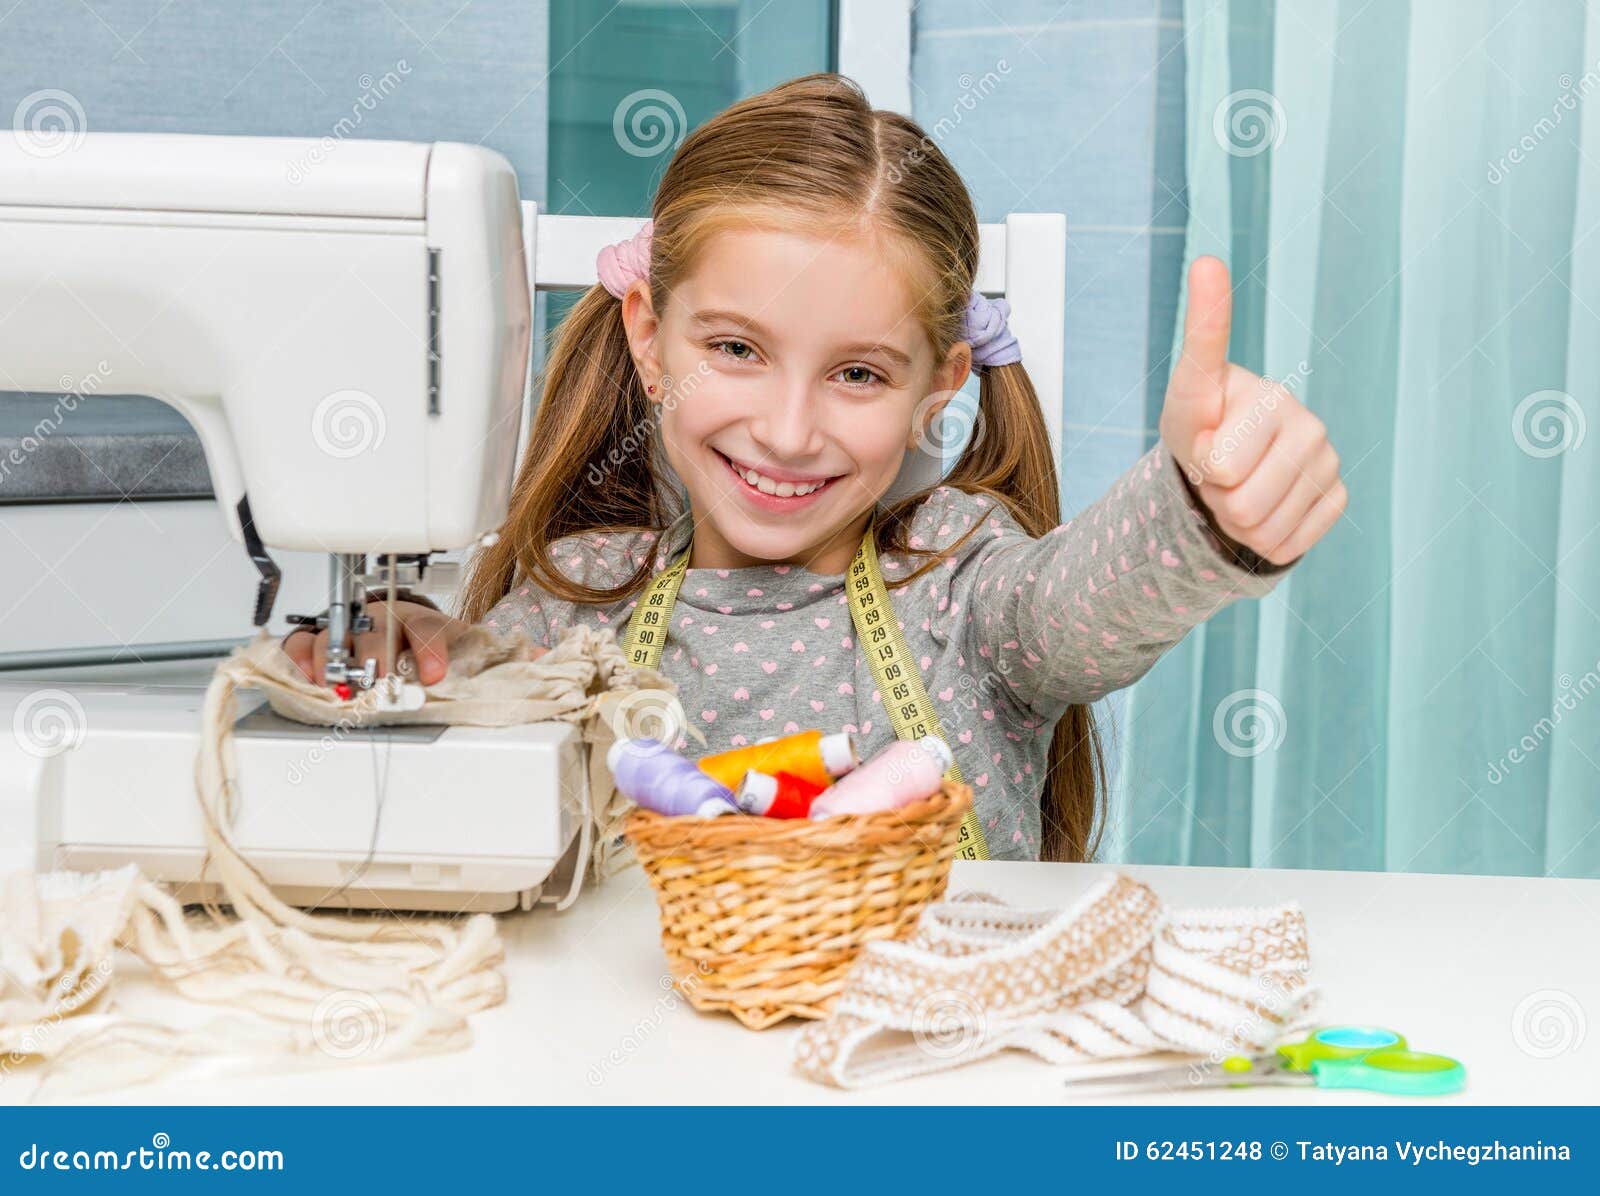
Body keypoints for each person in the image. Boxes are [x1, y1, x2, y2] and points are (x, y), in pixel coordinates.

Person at [285, 74, 1345, 862]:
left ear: (939, 381)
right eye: (736, 350)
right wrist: (404, 636)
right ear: (651, 336)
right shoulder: (579, 594)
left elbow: (1091, 601)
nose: (789, 432)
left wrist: (1198, 514)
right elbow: (452, 704)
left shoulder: (964, 590)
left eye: (856, 373)